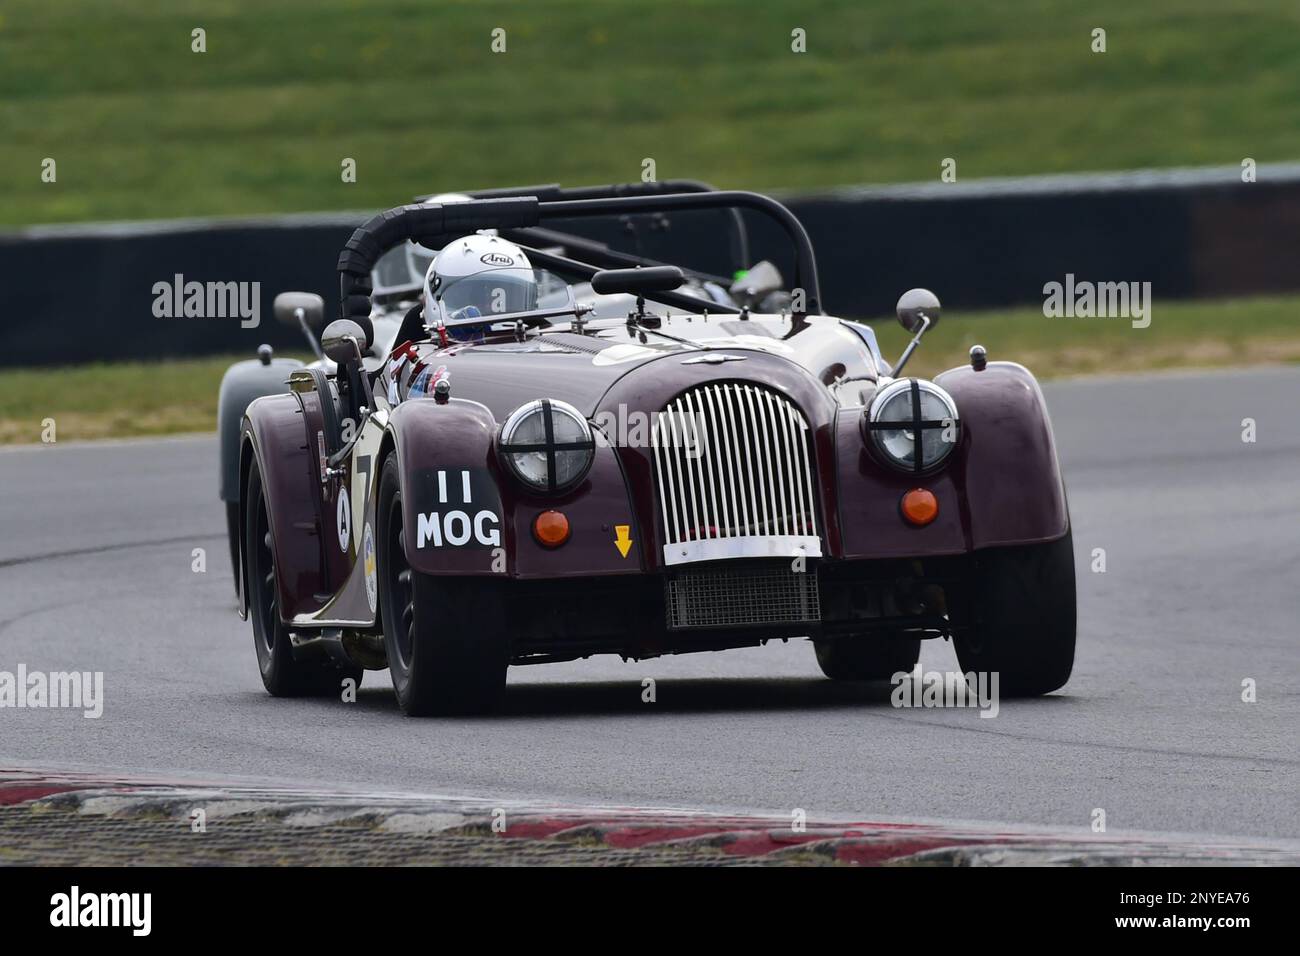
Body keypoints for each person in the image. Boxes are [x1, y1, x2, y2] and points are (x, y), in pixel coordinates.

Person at [394, 234, 539, 346]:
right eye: (476, 296)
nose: (489, 307)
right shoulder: (415, 324)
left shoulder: (540, 333)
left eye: (507, 295)